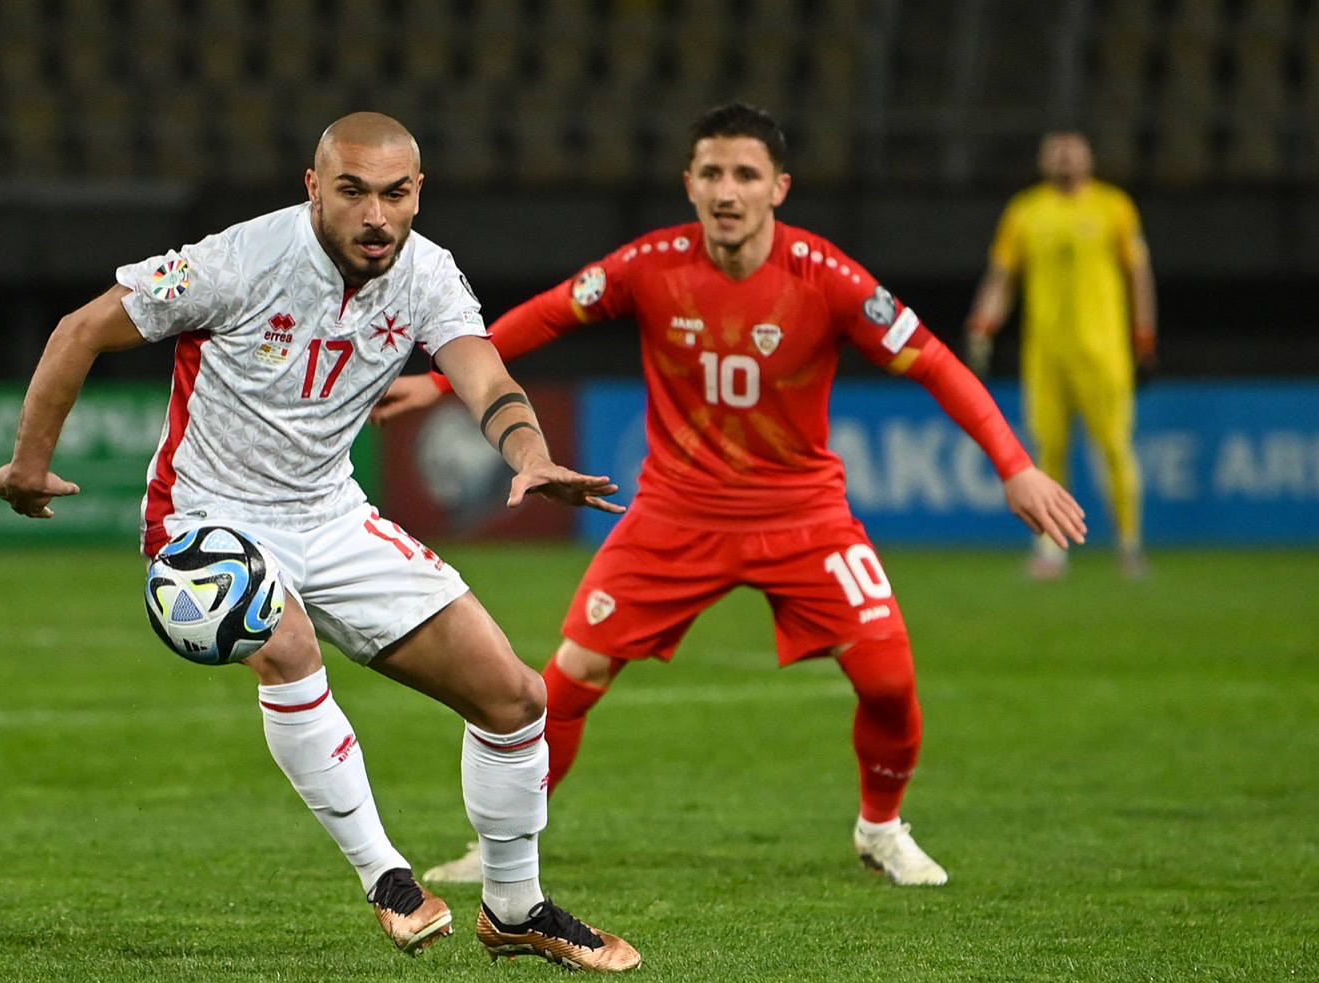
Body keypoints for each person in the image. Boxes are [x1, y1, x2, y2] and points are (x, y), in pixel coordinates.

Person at [0, 112, 641, 972]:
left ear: (418, 194)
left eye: (395, 194)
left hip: (331, 514)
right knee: (286, 648)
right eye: (353, 191)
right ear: (313, 187)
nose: (375, 215)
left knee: (514, 698)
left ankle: (515, 908)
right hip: (208, 516)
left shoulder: (428, 273)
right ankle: (386, 877)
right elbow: (80, 329)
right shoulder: (237, 261)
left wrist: (531, 454)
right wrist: (29, 464)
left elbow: (483, 374)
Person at [375, 103, 1087, 887]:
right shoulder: (649, 265)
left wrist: (1014, 464)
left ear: (778, 187)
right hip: (675, 516)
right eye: (712, 173)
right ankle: (499, 850)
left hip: (805, 517)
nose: (727, 190)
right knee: (566, 681)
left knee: (889, 684)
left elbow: (937, 365)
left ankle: (882, 829)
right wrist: (443, 378)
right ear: (689, 184)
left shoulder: (829, 278)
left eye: (745, 174)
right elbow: (546, 316)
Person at [965, 130, 1157, 580]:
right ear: (1043, 161)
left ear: (1088, 158)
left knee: (1113, 447)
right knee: (1047, 452)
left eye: (1072, 152)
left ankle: (1129, 546)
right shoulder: (1026, 212)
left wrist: (1144, 337)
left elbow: (1138, 275)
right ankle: (1050, 552)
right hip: (1046, 355)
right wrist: (982, 324)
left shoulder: (1114, 207)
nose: (1065, 160)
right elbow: (1003, 276)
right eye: (1056, 153)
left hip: (1103, 352)